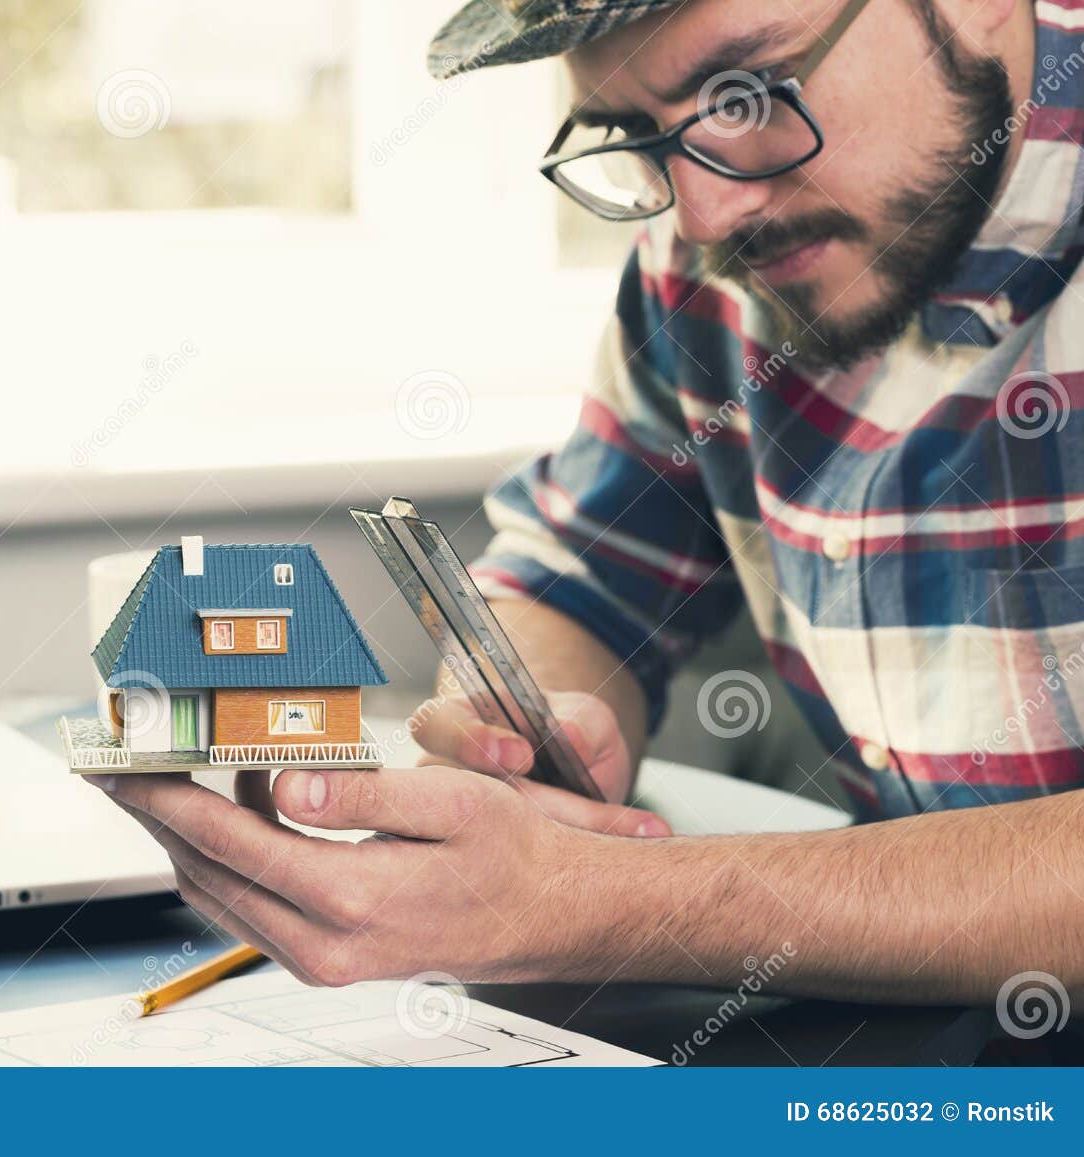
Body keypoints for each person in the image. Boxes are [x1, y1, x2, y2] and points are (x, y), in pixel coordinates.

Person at [89, 0, 1084, 1005]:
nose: (702, 215)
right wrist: (534, 731)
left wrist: (600, 898)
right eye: (635, 135)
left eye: (747, 93)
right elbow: (580, 579)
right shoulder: (720, 264)